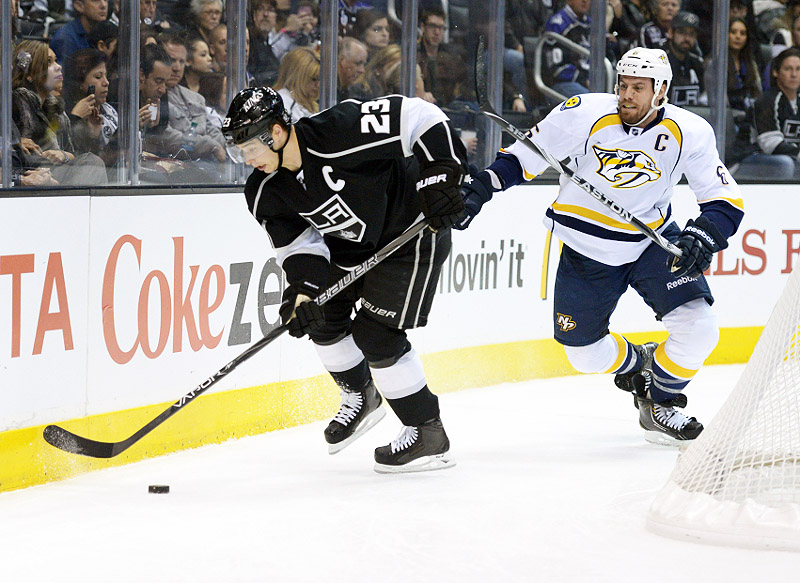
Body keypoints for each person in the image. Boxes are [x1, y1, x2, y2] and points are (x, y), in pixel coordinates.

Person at [457, 47, 745, 445]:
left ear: (661, 91)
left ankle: (659, 402)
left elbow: (723, 198)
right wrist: (482, 188)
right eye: (623, 85)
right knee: (585, 356)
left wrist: (705, 233)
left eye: (638, 88)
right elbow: (524, 156)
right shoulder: (583, 113)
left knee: (699, 328)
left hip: (652, 241)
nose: (627, 94)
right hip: (586, 249)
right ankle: (638, 362)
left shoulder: (689, 130)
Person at [220, 86, 468, 472]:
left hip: (411, 231)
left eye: (251, 146)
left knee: (377, 336)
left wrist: (441, 175)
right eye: (240, 150)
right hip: (351, 246)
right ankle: (362, 395)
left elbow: (421, 116)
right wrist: (303, 294)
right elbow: (300, 249)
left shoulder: (340, 130)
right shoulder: (264, 189)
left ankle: (428, 433)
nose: (246, 158)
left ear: (277, 132)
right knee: (319, 312)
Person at [161, 33, 227, 163]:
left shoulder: (196, 98)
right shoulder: (154, 97)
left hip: (208, 162)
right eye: (171, 60)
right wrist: (212, 146)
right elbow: (169, 139)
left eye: (181, 61)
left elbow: (211, 130)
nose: (177, 68)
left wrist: (230, 146)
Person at [734, 47, 800, 177]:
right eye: (788, 69)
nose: (794, 74)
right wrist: (797, 152)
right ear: (776, 72)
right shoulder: (766, 101)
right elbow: (770, 144)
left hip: (792, 157)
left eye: (798, 69)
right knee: (785, 164)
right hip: (752, 158)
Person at [62, 48, 120, 169]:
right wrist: (75, 119)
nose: (106, 82)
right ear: (80, 83)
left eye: (106, 76)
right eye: (98, 77)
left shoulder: (108, 109)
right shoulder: (64, 113)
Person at [542, 0, 592, 100]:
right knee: (592, 102)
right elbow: (556, 69)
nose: (585, 1)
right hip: (562, 83)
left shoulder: (592, 23)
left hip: (588, 80)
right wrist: (583, 80)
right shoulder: (557, 23)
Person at [665, 11, 706, 106]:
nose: (687, 38)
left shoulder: (698, 63)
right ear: (671, 33)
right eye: (682, 32)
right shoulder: (658, 61)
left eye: (692, 34)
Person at [50, 0, 109, 65]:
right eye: (95, 1)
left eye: (105, 0)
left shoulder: (107, 31)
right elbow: (65, 73)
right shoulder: (66, 38)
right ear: (79, 6)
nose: (104, 5)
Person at [273, 47, 320, 122]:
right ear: (297, 77)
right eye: (313, 79)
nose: (318, 85)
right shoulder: (283, 102)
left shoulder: (311, 103)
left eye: (319, 79)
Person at [337, 36, 368, 101]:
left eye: (363, 64)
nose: (362, 70)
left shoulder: (357, 91)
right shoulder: (325, 89)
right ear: (342, 60)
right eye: (358, 63)